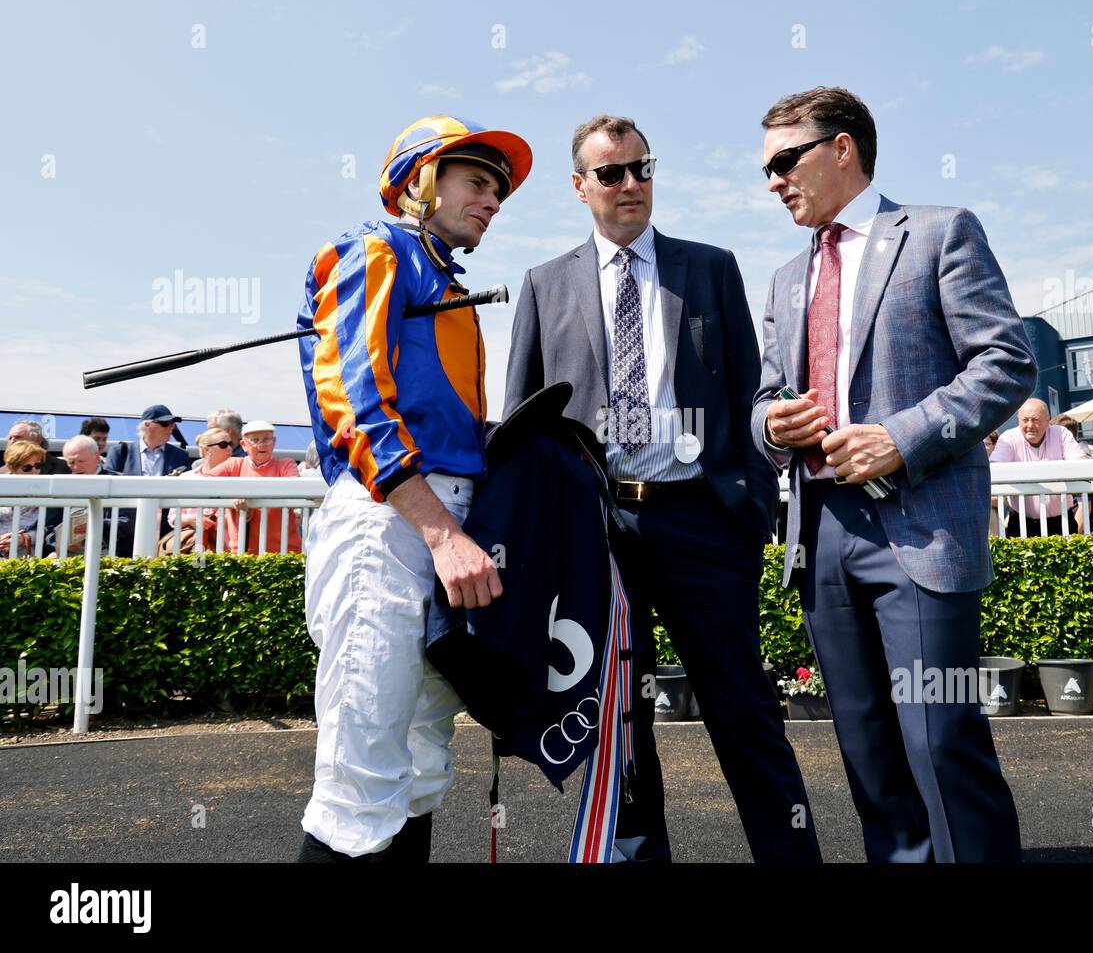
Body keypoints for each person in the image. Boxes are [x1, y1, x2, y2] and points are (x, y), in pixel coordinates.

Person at [504, 114, 819, 864]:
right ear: (580, 187)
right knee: (619, 722)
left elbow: (753, 391)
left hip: (703, 523)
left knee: (745, 710)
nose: (630, 185)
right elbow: (523, 425)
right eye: (611, 174)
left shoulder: (709, 267)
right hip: (596, 534)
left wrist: (745, 503)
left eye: (642, 168)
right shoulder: (545, 286)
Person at [754, 86, 1033, 862]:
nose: (774, 181)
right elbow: (765, 394)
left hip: (919, 523)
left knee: (940, 741)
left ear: (842, 149)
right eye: (765, 170)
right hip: (822, 537)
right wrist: (770, 423)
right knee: (868, 755)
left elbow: (1008, 362)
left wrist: (900, 438)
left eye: (784, 161)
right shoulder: (782, 278)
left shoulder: (942, 233)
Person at [295, 115, 531, 862]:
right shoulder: (373, 250)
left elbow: (454, 426)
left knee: (423, 770)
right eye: (477, 182)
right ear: (419, 182)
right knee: (360, 781)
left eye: (499, 190)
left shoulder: (446, 282)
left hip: (440, 530)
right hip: (393, 527)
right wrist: (442, 534)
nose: (492, 201)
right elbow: (357, 407)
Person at [989, 398, 1088, 536]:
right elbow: (994, 469)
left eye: (1036, 420)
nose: (1030, 425)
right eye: (1025, 420)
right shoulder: (1009, 438)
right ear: (1019, 421)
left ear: (1048, 421)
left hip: (1061, 521)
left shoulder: (1061, 433)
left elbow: (1081, 464)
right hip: (1020, 522)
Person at [201, 421, 300, 553]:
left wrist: (249, 498)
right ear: (243, 445)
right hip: (242, 552)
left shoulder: (286, 464)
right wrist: (234, 495)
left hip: (285, 552)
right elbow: (205, 482)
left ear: (274, 442)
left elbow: (295, 487)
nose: (261, 444)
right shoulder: (234, 464)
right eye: (255, 440)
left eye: (267, 439)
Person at [161, 427, 235, 553]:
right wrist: (190, 519)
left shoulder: (238, 476)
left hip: (227, 547)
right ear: (207, 450)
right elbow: (172, 517)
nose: (229, 448)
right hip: (190, 546)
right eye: (223, 445)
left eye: (230, 444)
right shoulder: (186, 478)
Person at [103, 406, 191, 477]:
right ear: (147, 425)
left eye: (173, 424)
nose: (171, 428)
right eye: (165, 424)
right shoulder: (119, 452)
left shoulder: (181, 456)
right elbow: (108, 485)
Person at [1, 442, 52, 556]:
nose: (34, 471)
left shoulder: (46, 490)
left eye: (37, 466)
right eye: (27, 467)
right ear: (11, 467)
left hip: (27, 558)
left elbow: (48, 529)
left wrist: (23, 539)